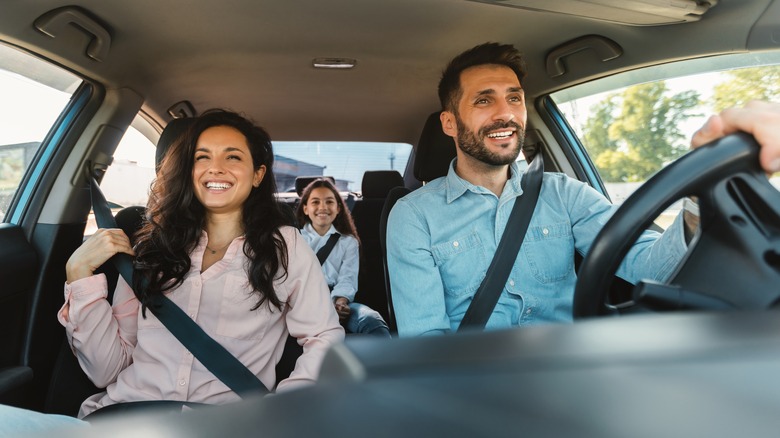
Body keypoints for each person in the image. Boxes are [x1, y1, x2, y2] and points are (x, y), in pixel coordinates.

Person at [387, 43, 780, 337]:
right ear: (450, 123)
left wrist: (700, 193)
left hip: (573, 374)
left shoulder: (565, 195)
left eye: (514, 98)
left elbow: (654, 267)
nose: (505, 113)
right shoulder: (414, 215)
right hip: (475, 385)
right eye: (484, 100)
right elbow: (426, 342)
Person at [58, 109, 344, 419]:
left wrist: (281, 413)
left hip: (223, 424)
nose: (216, 169)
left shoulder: (286, 247)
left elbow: (324, 337)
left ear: (258, 174)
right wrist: (79, 277)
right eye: (201, 157)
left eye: (232, 157)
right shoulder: (150, 248)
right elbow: (106, 370)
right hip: (128, 416)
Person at [296, 178, 391, 337]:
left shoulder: (348, 242)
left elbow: (348, 277)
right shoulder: (294, 239)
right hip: (303, 305)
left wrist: (339, 303)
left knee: (373, 322)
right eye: (315, 202)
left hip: (337, 301)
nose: (323, 207)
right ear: (305, 208)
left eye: (329, 202)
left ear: (338, 208)